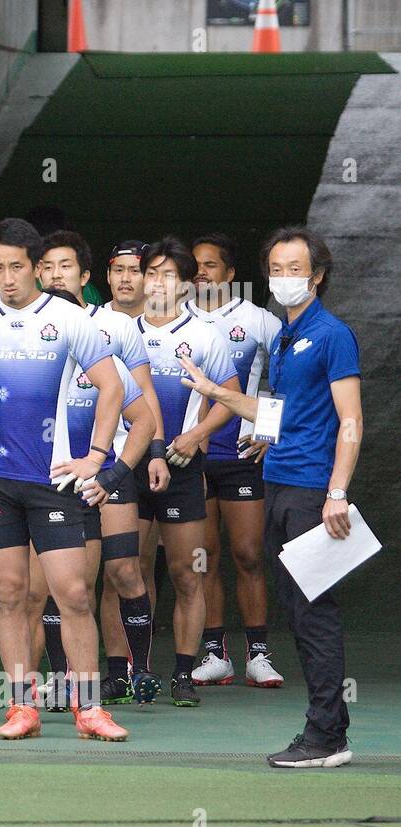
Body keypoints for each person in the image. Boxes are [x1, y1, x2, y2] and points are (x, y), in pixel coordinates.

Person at [0, 217, 129, 743]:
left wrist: (95, 457)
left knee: (73, 594)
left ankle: (89, 710)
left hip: (54, 481)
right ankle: (21, 708)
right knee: (10, 594)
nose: (6, 277)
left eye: (16, 267)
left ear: (37, 269)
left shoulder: (68, 319)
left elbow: (111, 388)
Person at [180, 226, 361, 769]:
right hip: (277, 482)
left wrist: (337, 492)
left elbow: (350, 419)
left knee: (313, 612)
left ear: (318, 275)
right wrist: (223, 398)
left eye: (295, 268)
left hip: (312, 492)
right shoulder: (283, 337)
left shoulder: (332, 335)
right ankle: (330, 731)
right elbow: (277, 414)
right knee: (298, 609)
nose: (284, 278)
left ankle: (326, 736)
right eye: (276, 269)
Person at [36, 231, 168, 708]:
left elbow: (144, 404)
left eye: (65, 266)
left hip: (109, 472)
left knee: (125, 572)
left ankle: (135, 671)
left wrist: (150, 454)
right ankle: (64, 678)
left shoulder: (114, 330)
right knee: (67, 582)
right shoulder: (26, 339)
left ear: (86, 278)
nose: (55, 275)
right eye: (47, 266)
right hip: (52, 480)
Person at [131, 237, 240, 707]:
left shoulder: (206, 334)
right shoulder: (119, 331)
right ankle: (137, 671)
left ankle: (182, 673)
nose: (157, 282)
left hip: (182, 467)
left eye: (168, 274)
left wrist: (196, 437)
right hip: (129, 467)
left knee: (187, 573)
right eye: (150, 273)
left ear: (185, 285)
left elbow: (231, 399)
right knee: (131, 572)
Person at [187, 233, 284, 689]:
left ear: (229, 274)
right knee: (204, 557)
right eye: (196, 265)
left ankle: (258, 654)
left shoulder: (260, 321)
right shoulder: (177, 321)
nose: (201, 272)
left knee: (247, 554)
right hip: (193, 458)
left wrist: (268, 428)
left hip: (242, 454)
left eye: (211, 265)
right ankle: (214, 652)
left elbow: (291, 377)